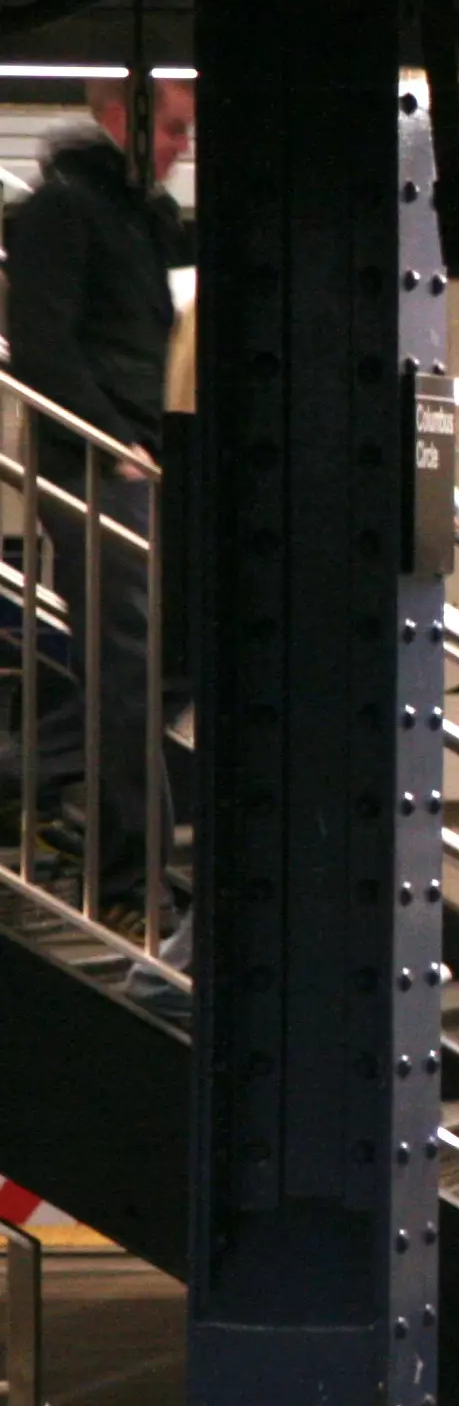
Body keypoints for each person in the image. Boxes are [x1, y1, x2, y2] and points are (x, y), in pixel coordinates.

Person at [2, 83, 190, 893]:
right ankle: (126, 864)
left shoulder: (141, 221)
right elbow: (40, 342)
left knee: (171, 650)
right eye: (174, 128)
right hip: (92, 461)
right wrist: (112, 440)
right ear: (122, 118)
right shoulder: (63, 210)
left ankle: (24, 773)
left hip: (139, 455)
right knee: (127, 658)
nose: (183, 146)